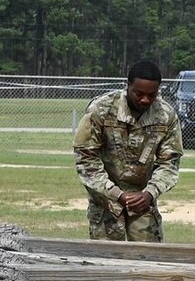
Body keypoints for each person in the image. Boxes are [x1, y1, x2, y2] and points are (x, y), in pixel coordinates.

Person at [73, 59, 183, 242]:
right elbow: (86, 159)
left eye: (152, 95)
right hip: (106, 199)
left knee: (148, 255)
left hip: (143, 200)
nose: (145, 99)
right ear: (128, 86)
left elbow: (169, 163)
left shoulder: (166, 115)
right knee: (106, 257)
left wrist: (150, 193)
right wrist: (117, 194)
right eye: (139, 93)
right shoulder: (102, 109)